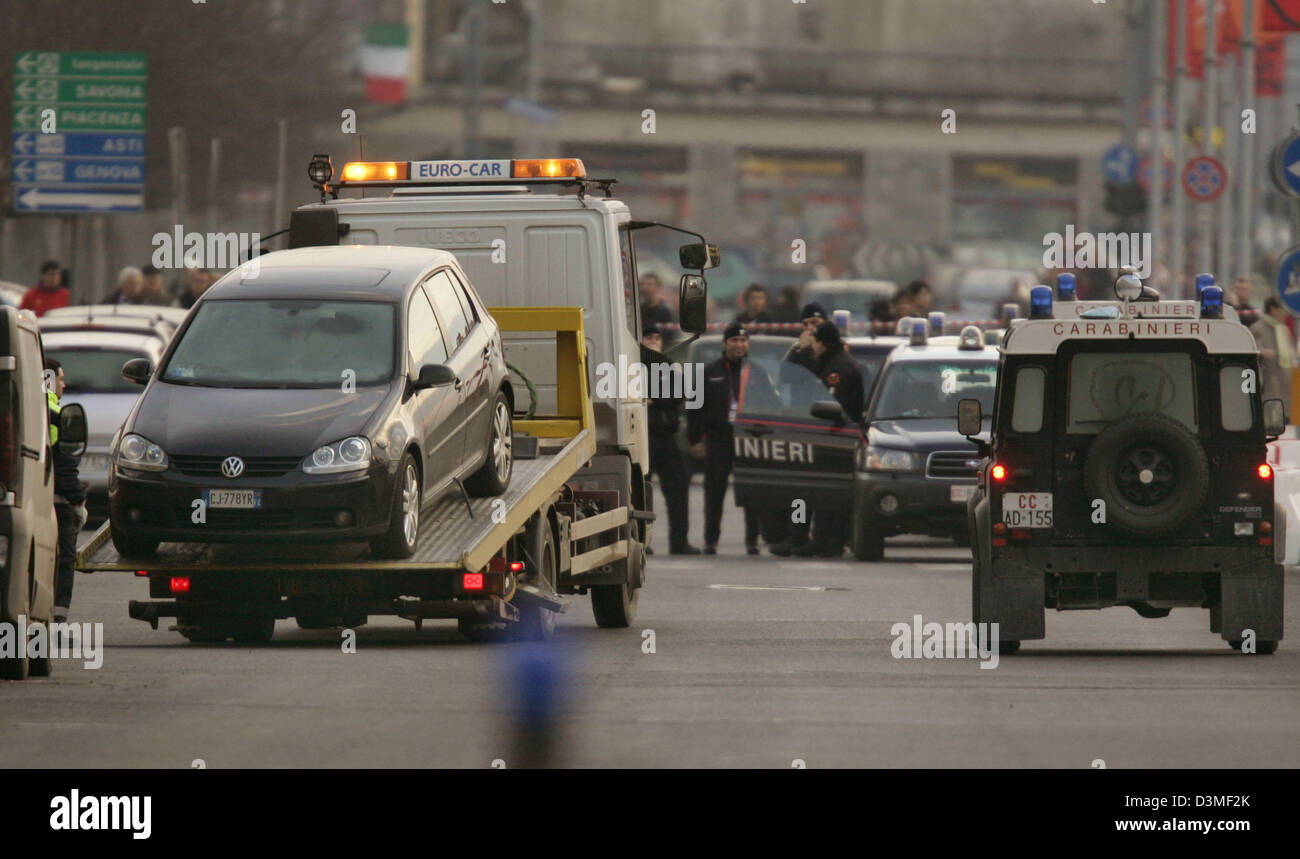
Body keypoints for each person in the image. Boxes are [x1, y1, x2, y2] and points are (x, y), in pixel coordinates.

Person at [688, 321, 775, 555]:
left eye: (743, 340)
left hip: (748, 439)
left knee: (750, 491)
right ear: (725, 344)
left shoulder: (757, 372)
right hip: (718, 438)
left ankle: (752, 540)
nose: (739, 345)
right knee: (714, 491)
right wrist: (695, 439)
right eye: (734, 340)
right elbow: (694, 409)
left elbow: (769, 406)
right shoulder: (710, 372)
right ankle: (711, 539)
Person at [791, 321, 865, 558]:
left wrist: (802, 353)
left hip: (835, 439)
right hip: (833, 438)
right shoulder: (833, 361)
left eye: (814, 342)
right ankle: (821, 539)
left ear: (821, 343)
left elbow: (832, 406)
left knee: (827, 493)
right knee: (822, 493)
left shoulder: (837, 368)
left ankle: (828, 541)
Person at [641, 322, 700, 555]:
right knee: (642, 493)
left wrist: (655, 398)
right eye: (648, 338)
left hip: (667, 436)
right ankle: (642, 543)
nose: (654, 341)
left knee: (678, 488)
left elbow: (679, 394)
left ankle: (679, 541)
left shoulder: (669, 365)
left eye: (657, 338)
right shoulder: (632, 366)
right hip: (644, 437)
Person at [45, 358, 87, 623]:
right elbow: (63, 462)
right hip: (56, 500)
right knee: (64, 559)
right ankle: (58, 621)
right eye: (61, 378)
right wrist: (78, 499)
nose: (65, 383)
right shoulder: (53, 411)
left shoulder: (24, 402)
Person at [1250, 296, 1294, 420]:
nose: (1285, 314)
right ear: (1273, 310)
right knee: (1271, 417)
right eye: (1282, 310)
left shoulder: (1284, 329)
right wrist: (1262, 352)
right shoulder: (1258, 328)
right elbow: (1254, 350)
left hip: (1286, 381)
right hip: (1270, 380)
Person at [640, 272, 676, 344]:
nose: (645, 287)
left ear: (658, 287)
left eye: (649, 284)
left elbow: (670, 337)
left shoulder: (665, 311)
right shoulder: (639, 309)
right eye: (643, 284)